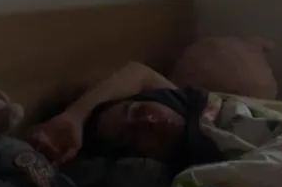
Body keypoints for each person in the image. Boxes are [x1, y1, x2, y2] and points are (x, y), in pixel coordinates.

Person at [28, 62, 220, 174]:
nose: (148, 122)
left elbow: (138, 72)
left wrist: (75, 115)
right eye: (132, 136)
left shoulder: (182, 102)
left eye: (138, 110)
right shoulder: (192, 168)